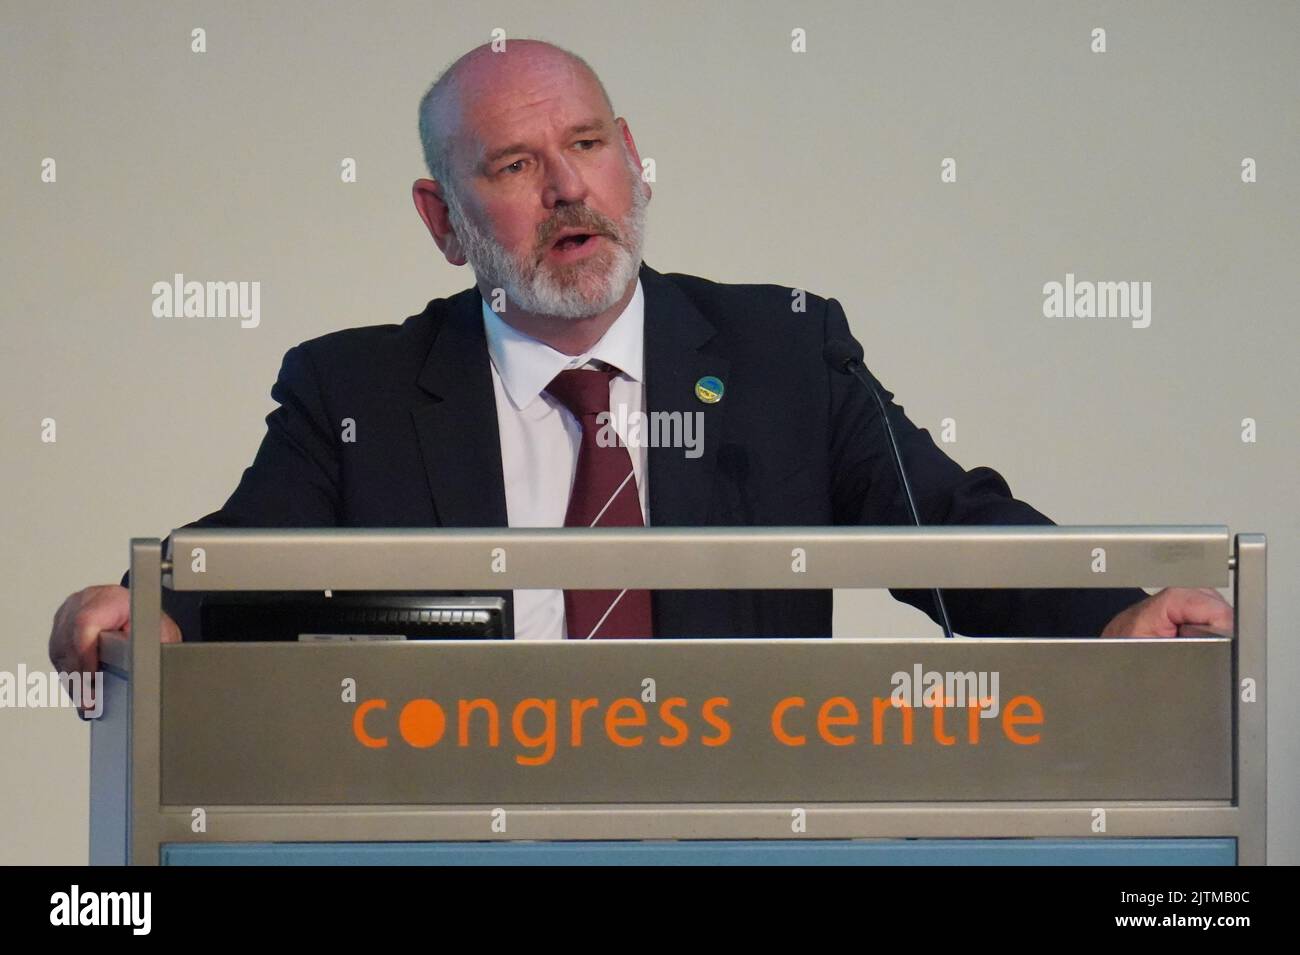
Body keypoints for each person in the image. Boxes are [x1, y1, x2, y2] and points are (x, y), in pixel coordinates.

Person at [49, 39, 1234, 705]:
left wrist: (1109, 613)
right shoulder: (351, 389)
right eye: (513, 164)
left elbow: (946, 525)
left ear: (634, 162)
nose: (567, 189)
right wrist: (142, 608)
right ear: (443, 219)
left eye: (587, 145)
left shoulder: (783, 350)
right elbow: (244, 558)